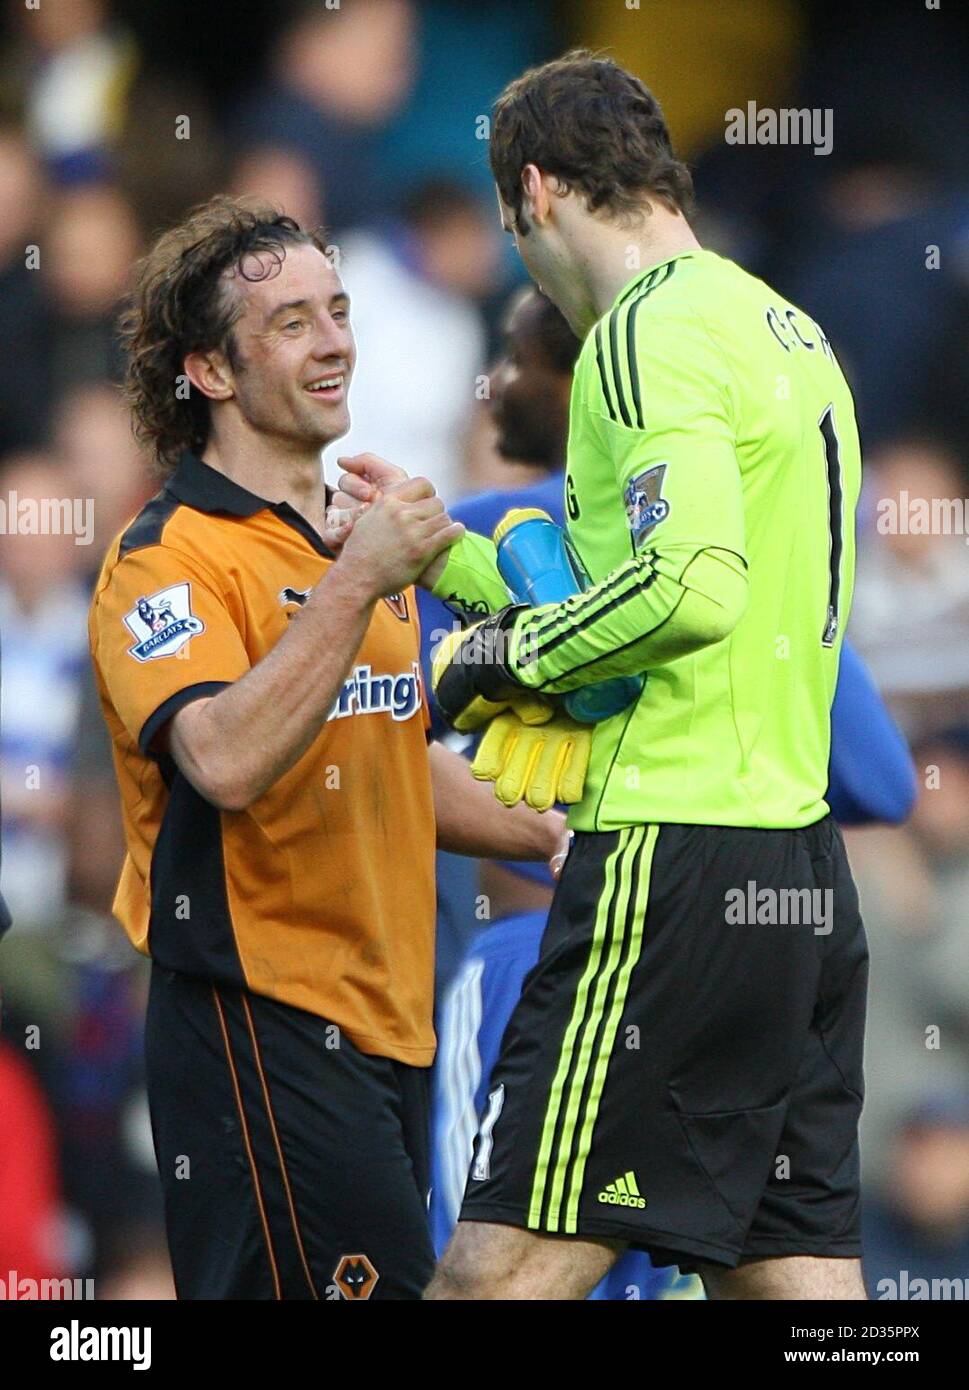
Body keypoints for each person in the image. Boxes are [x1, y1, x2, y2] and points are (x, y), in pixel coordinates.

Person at [336, 50, 868, 1300]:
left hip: (669, 860)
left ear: (533, 192)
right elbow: (622, 583)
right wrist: (454, 553)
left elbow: (690, 586)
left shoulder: (638, 332)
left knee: (491, 1274)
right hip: (796, 862)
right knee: (796, 1283)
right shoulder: (778, 322)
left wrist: (491, 656)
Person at [89, 197, 565, 1300]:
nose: (336, 340)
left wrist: (553, 831)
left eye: (339, 309)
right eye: (292, 321)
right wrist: (358, 584)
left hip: (387, 1013)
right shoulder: (163, 560)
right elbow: (223, 757)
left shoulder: (348, 539)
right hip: (260, 1020)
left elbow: (390, 755)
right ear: (209, 370)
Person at [423, 286, 914, 1302]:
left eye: (518, 360)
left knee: (489, 1275)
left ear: (585, 386)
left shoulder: (469, 532)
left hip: (581, 944)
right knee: (787, 1272)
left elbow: (367, 748)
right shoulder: (753, 543)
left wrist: (535, 695)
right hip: (763, 912)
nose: (500, 386)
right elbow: (880, 778)